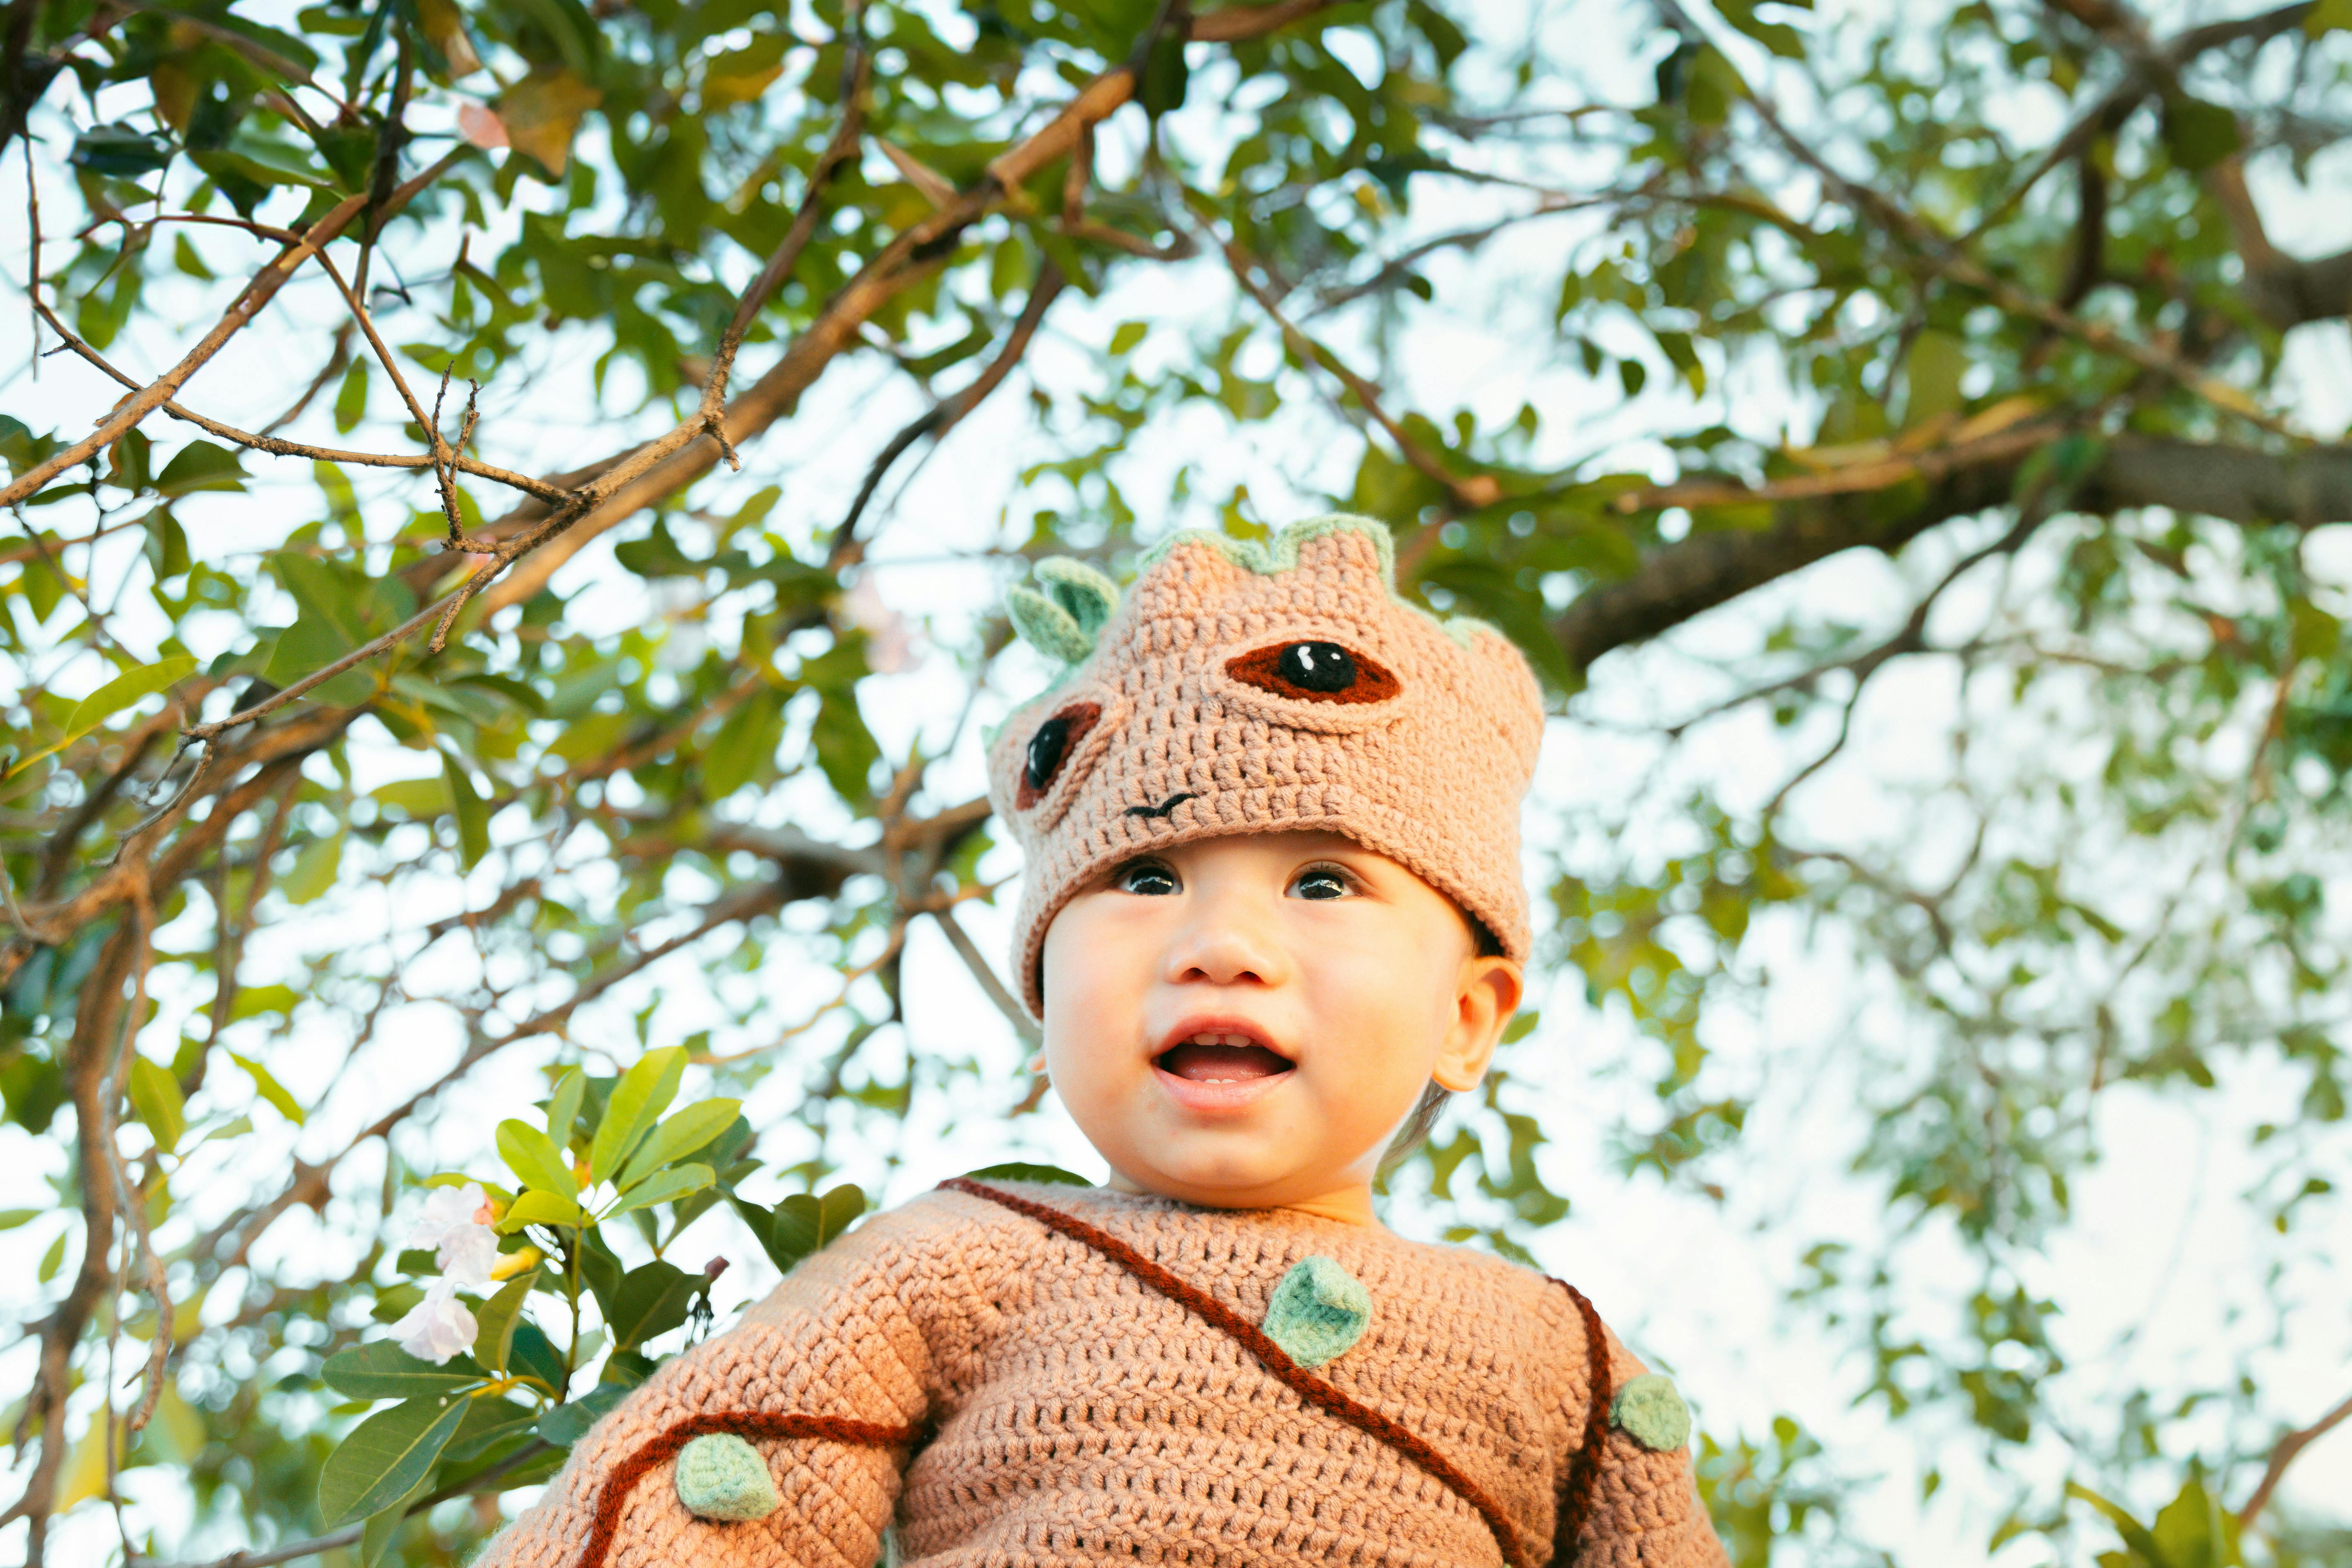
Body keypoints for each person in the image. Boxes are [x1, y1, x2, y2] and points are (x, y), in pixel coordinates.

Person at [474, 515, 1728, 1567]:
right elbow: (697, 1505)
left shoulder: (1558, 1363)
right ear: (1042, 1011)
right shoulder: (956, 1267)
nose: (1219, 945)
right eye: (1144, 877)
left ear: (1465, 1019)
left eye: (1326, 884)